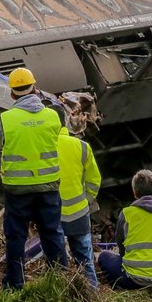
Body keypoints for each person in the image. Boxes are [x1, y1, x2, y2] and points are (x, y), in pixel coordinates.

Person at [0, 67, 69, 290]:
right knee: (52, 231)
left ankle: (16, 283)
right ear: (35, 89)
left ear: (11, 94)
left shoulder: (6, 118)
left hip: (18, 189)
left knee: (16, 237)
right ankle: (61, 280)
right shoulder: (52, 116)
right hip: (48, 187)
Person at [57, 119, 101, 289]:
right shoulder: (82, 146)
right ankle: (93, 296)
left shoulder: (44, 146)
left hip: (53, 214)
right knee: (85, 261)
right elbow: (94, 179)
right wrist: (87, 200)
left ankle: (59, 298)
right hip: (79, 213)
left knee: (57, 265)